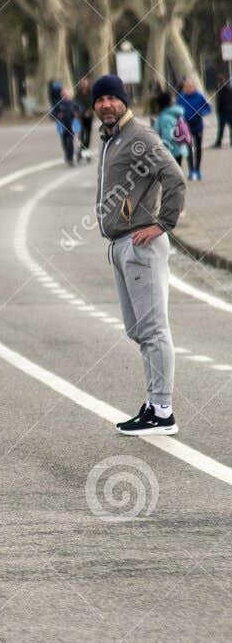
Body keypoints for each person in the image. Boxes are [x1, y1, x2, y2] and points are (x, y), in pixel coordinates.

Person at [92, 74, 186, 436]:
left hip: (140, 244)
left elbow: (174, 177)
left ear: (123, 100)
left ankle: (163, 411)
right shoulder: (112, 138)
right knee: (137, 329)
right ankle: (153, 403)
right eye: (99, 101)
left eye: (111, 99)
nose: (105, 105)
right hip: (122, 246)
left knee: (153, 329)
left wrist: (163, 224)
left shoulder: (139, 138)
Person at [177, 78, 211, 180]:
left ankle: (198, 169)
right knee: (188, 149)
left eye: (191, 87)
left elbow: (208, 108)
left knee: (198, 148)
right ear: (184, 88)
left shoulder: (199, 96)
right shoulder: (181, 97)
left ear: (194, 87)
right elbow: (177, 109)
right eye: (187, 87)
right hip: (186, 127)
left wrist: (202, 112)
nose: (189, 89)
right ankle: (191, 170)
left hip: (198, 126)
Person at [152, 89, 187, 169]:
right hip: (178, 149)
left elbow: (167, 137)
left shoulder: (165, 118)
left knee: (172, 177)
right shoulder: (174, 114)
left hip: (171, 152)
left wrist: (159, 151)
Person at [51, 86, 76, 164]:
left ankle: (70, 158)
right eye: (63, 94)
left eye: (66, 94)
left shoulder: (72, 103)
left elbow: (79, 110)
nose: (65, 96)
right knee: (64, 142)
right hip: (62, 126)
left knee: (70, 142)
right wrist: (57, 115)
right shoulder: (58, 104)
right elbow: (52, 114)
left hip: (71, 126)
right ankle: (67, 155)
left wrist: (76, 114)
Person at [75, 75, 94, 160]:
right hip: (81, 117)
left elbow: (93, 103)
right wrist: (76, 112)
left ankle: (84, 152)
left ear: (88, 84)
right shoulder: (78, 93)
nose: (84, 85)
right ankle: (82, 152)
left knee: (88, 136)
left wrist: (89, 111)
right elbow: (75, 103)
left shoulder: (91, 92)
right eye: (83, 83)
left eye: (86, 83)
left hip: (89, 116)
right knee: (81, 135)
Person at [214, 75, 232, 148]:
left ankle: (218, 142)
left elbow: (219, 102)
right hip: (228, 111)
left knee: (221, 128)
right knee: (227, 128)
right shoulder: (229, 89)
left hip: (224, 112)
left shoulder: (221, 90)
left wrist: (218, 111)